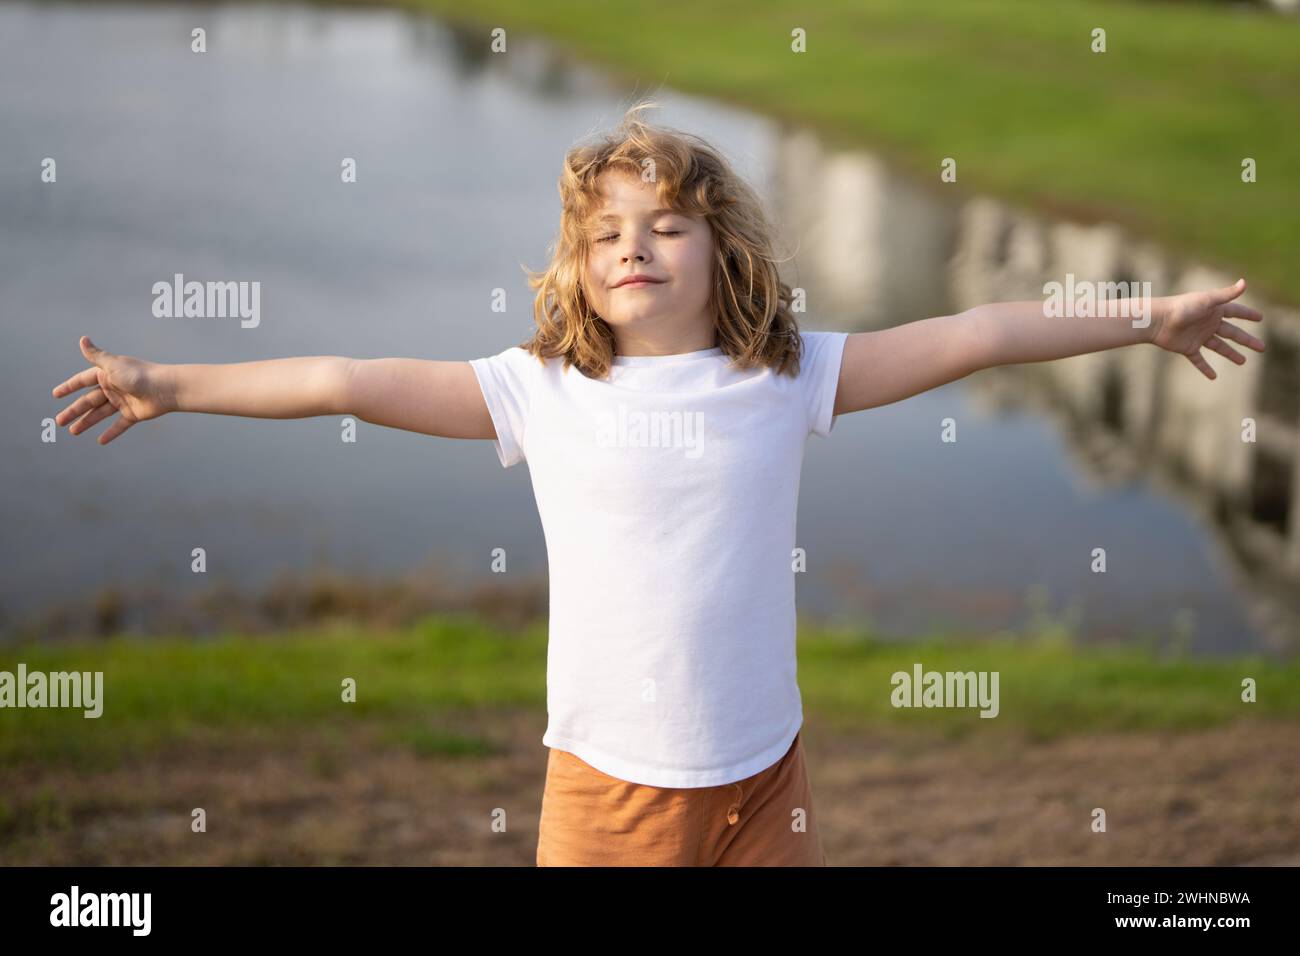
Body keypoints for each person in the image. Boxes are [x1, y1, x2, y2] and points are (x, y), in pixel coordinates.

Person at [49, 103, 1265, 867]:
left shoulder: (789, 372)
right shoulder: (540, 388)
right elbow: (347, 376)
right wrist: (175, 381)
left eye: (666, 224)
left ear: (722, 250)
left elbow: (981, 330)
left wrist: (1147, 314)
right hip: (607, 791)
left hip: (763, 778)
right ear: (578, 271)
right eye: (605, 231)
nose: (632, 244)